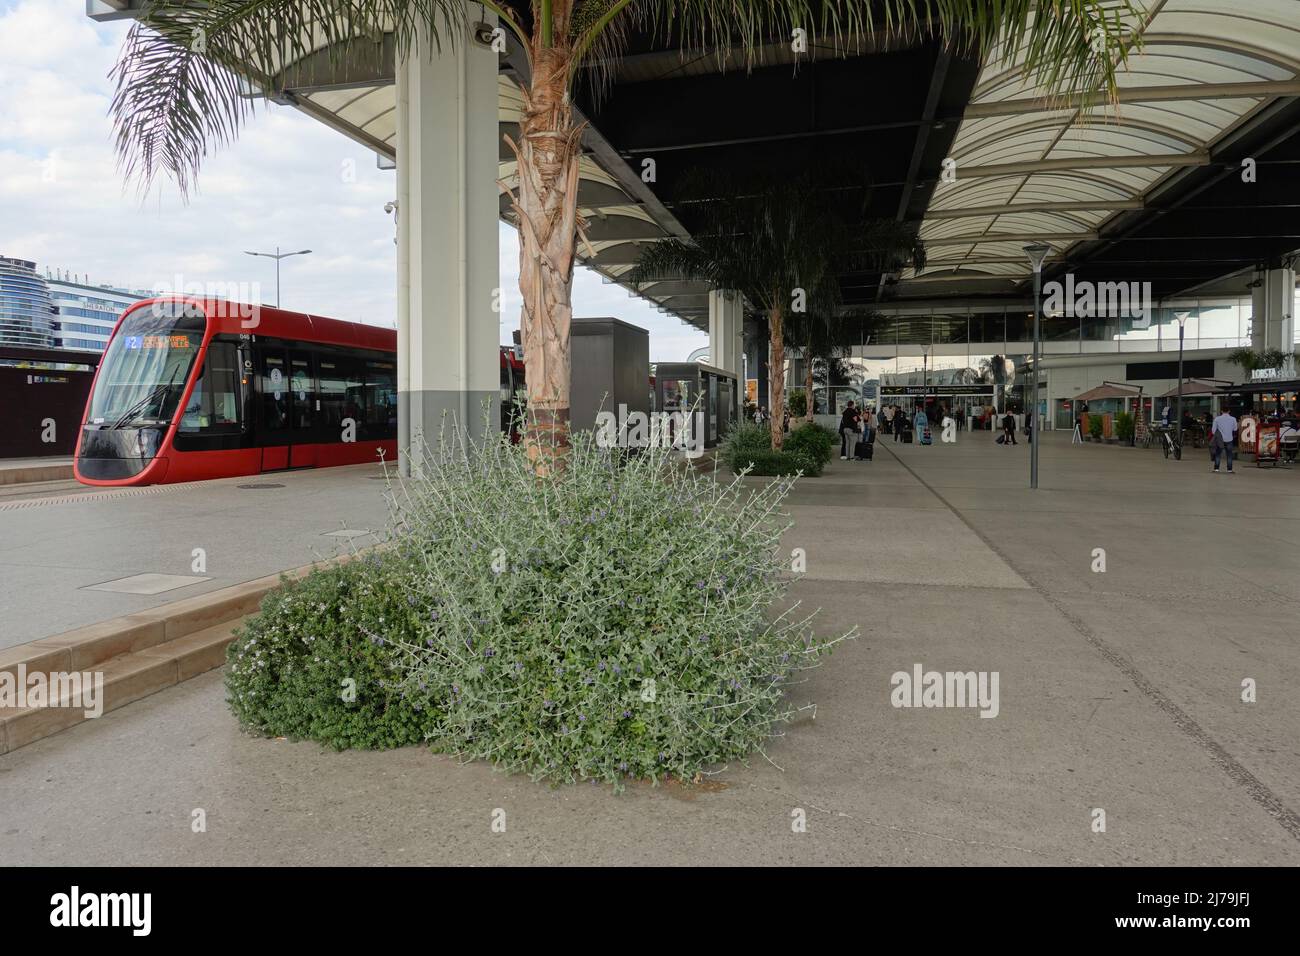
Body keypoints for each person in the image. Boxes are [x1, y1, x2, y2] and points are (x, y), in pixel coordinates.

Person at [1211, 406, 1237, 473]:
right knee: (1229, 455)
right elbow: (1235, 429)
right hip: (1229, 439)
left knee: (1218, 454)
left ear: (1221, 411)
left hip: (1220, 440)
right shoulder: (1233, 419)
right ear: (1229, 411)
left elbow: (1213, 431)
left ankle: (1216, 469)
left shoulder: (1217, 419)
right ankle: (1229, 470)